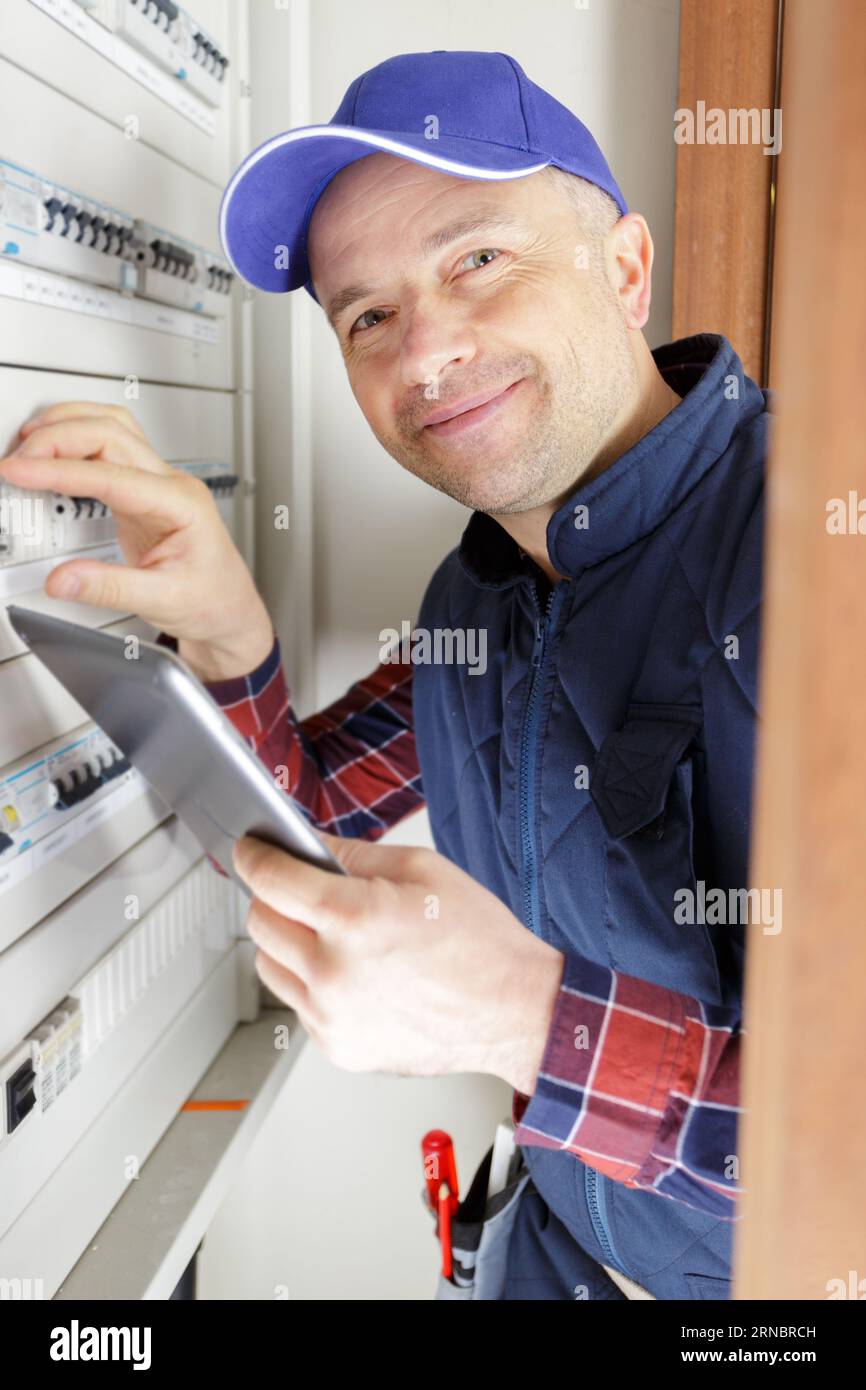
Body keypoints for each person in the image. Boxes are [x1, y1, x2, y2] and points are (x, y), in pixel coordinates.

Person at [0, 52, 764, 1300]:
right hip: (552, 1255)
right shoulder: (478, 602)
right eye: (367, 315)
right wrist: (229, 630)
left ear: (622, 269)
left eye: (476, 260)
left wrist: (523, 1020)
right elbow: (299, 831)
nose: (425, 349)